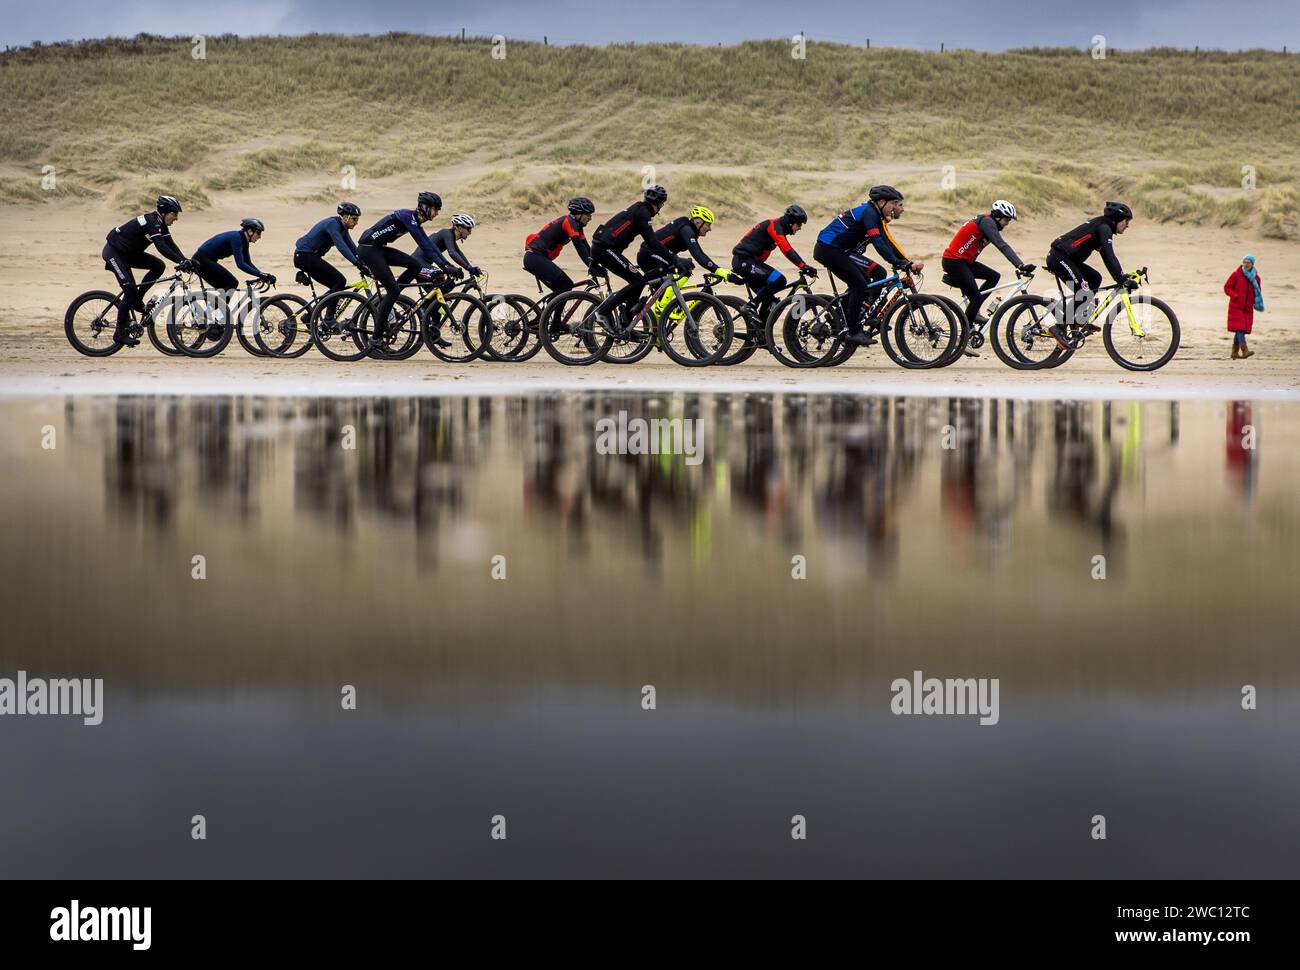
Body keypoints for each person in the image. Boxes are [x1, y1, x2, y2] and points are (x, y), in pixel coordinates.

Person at [813, 185, 921, 347]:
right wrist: (896, 262)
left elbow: (886, 242)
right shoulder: (869, 212)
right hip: (828, 249)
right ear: (882, 202)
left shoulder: (876, 216)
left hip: (843, 251)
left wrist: (905, 262)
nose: (894, 208)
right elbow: (877, 241)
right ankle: (854, 331)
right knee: (859, 284)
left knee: (878, 273)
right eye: (893, 204)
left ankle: (861, 312)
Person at [355, 191, 450, 342]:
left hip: (377, 248)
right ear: (425, 207)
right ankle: (376, 339)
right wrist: (445, 265)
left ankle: (392, 295)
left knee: (415, 265)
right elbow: (425, 245)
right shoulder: (408, 216)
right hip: (368, 249)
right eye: (435, 209)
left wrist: (446, 265)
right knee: (392, 290)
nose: (437, 213)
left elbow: (429, 245)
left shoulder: (415, 221)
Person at [590, 185, 689, 329]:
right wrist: (674, 258)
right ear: (659, 204)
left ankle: (626, 321)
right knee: (638, 281)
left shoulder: (638, 209)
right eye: (661, 204)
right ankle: (603, 312)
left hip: (604, 248)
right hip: (605, 249)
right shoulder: (643, 213)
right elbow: (652, 241)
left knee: (637, 281)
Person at [102, 194, 193, 346]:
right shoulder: (151, 221)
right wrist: (181, 261)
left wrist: (186, 260)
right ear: (164, 212)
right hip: (115, 252)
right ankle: (119, 333)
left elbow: (170, 244)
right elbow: (162, 248)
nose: (176, 218)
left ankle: (137, 300)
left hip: (129, 253)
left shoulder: (160, 223)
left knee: (159, 266)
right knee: (129, 289)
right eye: (174, 214)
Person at [1046, 201, 1134, 348]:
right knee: (1084, 292)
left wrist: (1121, 277)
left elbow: (1107, 257)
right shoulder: (1104, 227)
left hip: (1069, 259)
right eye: (1126, 221)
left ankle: (1077, 318)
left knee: (1095, 278)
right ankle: (1058, 328)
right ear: (1118, 219)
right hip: (1059, 257)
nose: (1127, 225)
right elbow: (1109, 256)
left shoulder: (1103, 226)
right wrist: (1121, 278)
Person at [941, 200, 1034, 326]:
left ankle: (974, 311)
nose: (1007, 224)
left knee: (994, 276)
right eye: (1006, 220)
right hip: (955, 262)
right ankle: (963, 335)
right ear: (998, 217)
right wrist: (1020, 265)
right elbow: (1002, 245)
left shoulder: (986, 221)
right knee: (976, 299)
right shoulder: (987, 222)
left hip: (963, 261)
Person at [732, 204, 817, 324]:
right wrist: (803, 266)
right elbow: (786, 249)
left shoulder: (780, 228)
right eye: (799, 224)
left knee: (770, 300)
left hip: (749, 262)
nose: (799, 228)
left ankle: (760, 335)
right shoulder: (774, 226)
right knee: (779, 279)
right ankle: (751, 305)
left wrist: (803, 265)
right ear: (791, 222)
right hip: (744, 261)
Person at [523, 197, 595, 293]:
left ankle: (550, 307)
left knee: (561, 289)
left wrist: (596, 263)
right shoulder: (568, 222)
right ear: (579, 214)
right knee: (566, 285)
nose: (590, 218)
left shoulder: (577, 226)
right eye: (588, 214)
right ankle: (552, 307)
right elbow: (579, 246)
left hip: (538, 258)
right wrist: (592, 267)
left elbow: (586, 247)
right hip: (535, 258)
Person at [637, 205, 729, 279]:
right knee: (685, 266)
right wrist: (717, 270)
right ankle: (665, 302)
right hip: (648, 254)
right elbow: (698, 254)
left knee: (684, 268)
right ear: (698, 223)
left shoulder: (689, 228)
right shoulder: (686, 229)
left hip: (656, 255)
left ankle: (665, 301)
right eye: (708, 225)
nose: (710, 229)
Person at [193, 217, 274, 294]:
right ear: (250, 231)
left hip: (207, 260)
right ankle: (219, 307)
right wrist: (260, 274)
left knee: (225, 287)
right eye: (258, 233)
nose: (260, 237)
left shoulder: (244, 242)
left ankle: (216, 307)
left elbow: (248, 262)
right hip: (201, 260)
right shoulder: (237, 238)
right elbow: (241, 264)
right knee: (232, 283)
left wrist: (262, 274)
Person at [293, 202, 361, 293]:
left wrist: (366, 262)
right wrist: (357, 263)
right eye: (354, 219)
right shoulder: (332, 224)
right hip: (304, 256)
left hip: (310, 257)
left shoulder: (343, 229)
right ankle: (325, 306)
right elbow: (342, 247)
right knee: (340, 281)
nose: (356, 223)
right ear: (345, 217)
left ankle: (321, 306)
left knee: (337, 285)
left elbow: (353, 248)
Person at [1224, 254, 1264, 359]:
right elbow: (1227, 287)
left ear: (1252, 264)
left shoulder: (1256, 278)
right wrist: (1235, 295)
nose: (1246, 264)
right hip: (1236, 306)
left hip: (1247, 308)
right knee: (1240, 328)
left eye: (1248, 262)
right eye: (1244, 262)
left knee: (1239, 330)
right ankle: (1244, 350)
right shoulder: (1236, 275)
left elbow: (1258, 292)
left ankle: (1234, 352)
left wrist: (1256, 302)